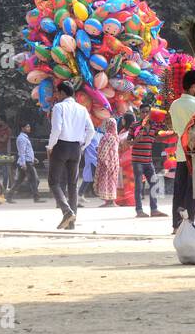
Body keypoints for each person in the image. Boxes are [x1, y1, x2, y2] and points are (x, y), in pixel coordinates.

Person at [47, 82, 96, 230]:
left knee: (53, 182)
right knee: (73, 184)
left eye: (57, 92)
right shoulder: (82, 109)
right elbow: (91, 130)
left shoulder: (59, 107)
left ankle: (67, 211)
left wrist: (50, 146)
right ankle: (71, 222)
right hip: (76, 148)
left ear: (62, 93)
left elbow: (56, 129)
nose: (56, 95)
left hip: (61, 146)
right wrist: (83, 145)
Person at [169, 70, 195, 230]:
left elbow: (177, 128)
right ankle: (189, 224)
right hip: (194, 152)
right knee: (192, 190)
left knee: (180, 189)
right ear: (192, 87)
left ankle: (177, 224)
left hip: (181, 152)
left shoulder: (174, 105)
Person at [126, 112, 161, 217]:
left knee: (154, 183)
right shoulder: (134, 125)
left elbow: (158, 138)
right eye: (143, 112)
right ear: (140, 113)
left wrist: (172, 135)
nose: (145, 114)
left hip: (148, 161)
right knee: (139, 186)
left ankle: (154, 210)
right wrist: (136, 140)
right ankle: (139, 210)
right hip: (137, 161)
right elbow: (128, 142)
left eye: (147, 112)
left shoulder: (154, 126)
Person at [94, 115, 120, 207]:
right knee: (112, 181)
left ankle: (108, 201)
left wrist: (98, 152)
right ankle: (111, 201)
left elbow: (103, 150)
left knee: (105, 181)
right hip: (114, 163)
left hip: (106, 163)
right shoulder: (116, 136)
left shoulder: (107, 136)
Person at [14, 122, 41, 202]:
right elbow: (22, 152)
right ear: (22, 128)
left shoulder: (25, 137)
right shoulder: (22, 138)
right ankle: (36, 197)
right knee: (34, 180)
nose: (29, 128)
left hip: (27, 161)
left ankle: (9, 196)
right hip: (26, 162)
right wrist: (23, 164)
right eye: (27, 127)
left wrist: (33, 158)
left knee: (19, 181)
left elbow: (27, 151)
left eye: (29, 126)